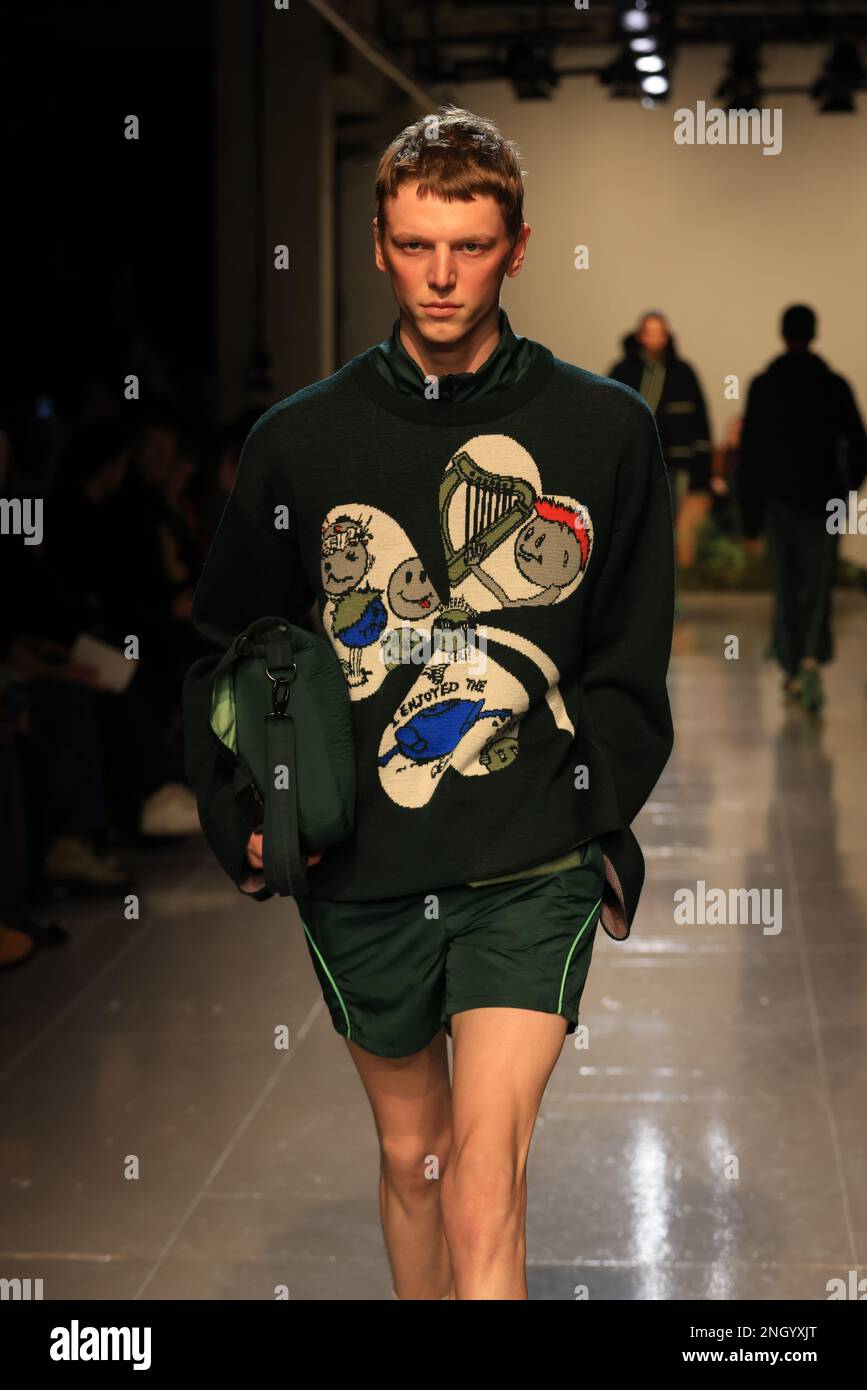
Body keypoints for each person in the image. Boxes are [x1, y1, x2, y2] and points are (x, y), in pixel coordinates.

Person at [188, 106, 675, 1300]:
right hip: (365, 864)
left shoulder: (605, 428)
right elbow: (223, 646)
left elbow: (629, 657)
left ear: (517, 244)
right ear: (378, 243)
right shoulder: (297, 442)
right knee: (415, 1158)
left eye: (469, 245)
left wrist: (591, 806)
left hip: (531, 861)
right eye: (416, 245)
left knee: (480, 1173)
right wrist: (250, 809)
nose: (442, 275)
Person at [737, 304, 867, 712]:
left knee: (787, 585)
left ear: (783, 333)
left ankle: (793, 667)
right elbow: (859, 443)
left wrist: (751, 516)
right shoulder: (833, 385)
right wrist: (848, 489)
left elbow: (751, 454)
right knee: (819, 584)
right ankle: (810, 658)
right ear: (814, 333)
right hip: (824, 499)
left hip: (779, 503)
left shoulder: (764, 386)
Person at [608, 311, 712, 570]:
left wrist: (703, 467)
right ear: (640, 336)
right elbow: (608, 415)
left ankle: (665, 574)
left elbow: (699, 420)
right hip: (632, 459)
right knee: (632, 517)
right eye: (650, 332)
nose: (655, 339)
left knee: (667, 518)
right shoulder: (624, 371)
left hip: (671, 461)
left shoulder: (682, 372)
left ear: (667, 337)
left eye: (660, 333)